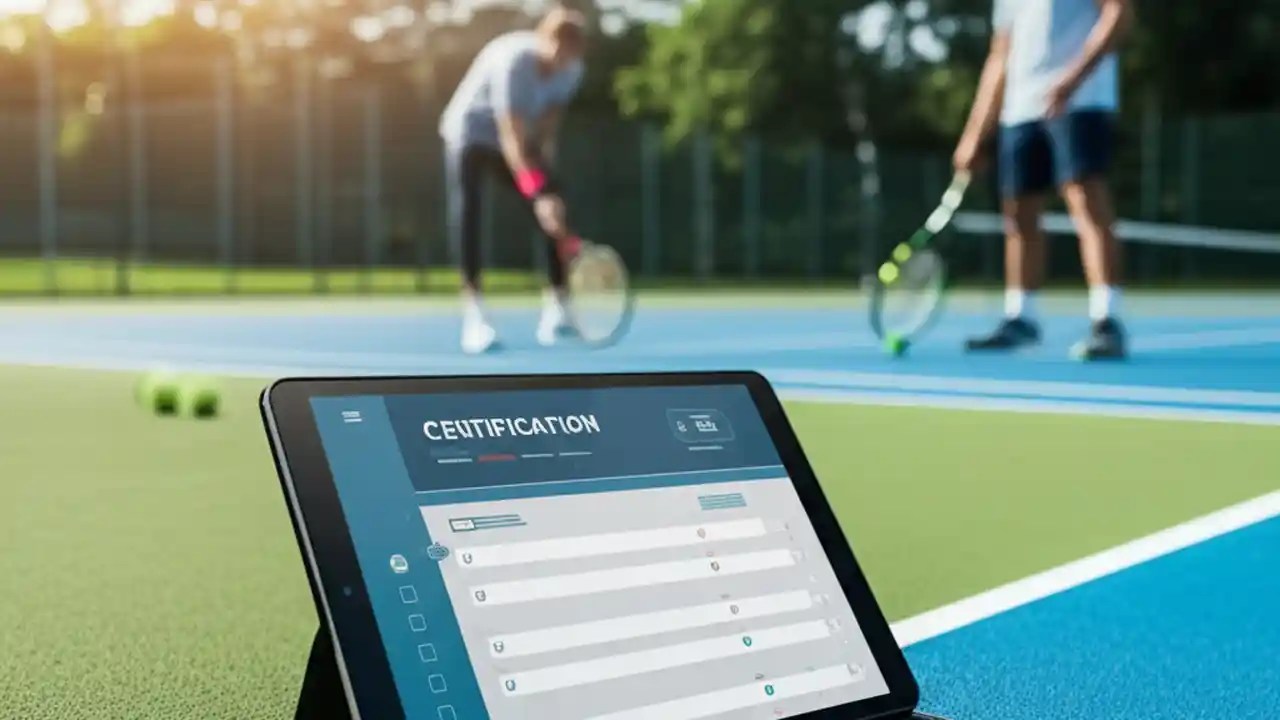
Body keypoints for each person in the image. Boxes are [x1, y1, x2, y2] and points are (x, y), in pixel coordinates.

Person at [954, 0, 1133, 360]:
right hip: (1021, 107)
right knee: (1017, 213)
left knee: (1086, 202)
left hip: (1081, 99)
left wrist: (1071, 80)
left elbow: (1119, 13)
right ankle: (1022, 317)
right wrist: (975, 133)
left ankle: (1107, 320)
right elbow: (1000, 55)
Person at [439, 7, 587, 354]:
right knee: (470, 213)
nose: (561, 62)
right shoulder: (515, 61)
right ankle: (475, 317)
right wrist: (536, 193)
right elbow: (513, 137)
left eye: (569, 56)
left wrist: (547, 189)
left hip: (515, 142)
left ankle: (557, 309)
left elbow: (546, 131)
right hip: (471, 136)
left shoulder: (572, 71)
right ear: (544, 40)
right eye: (557, 52)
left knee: (556, 204)